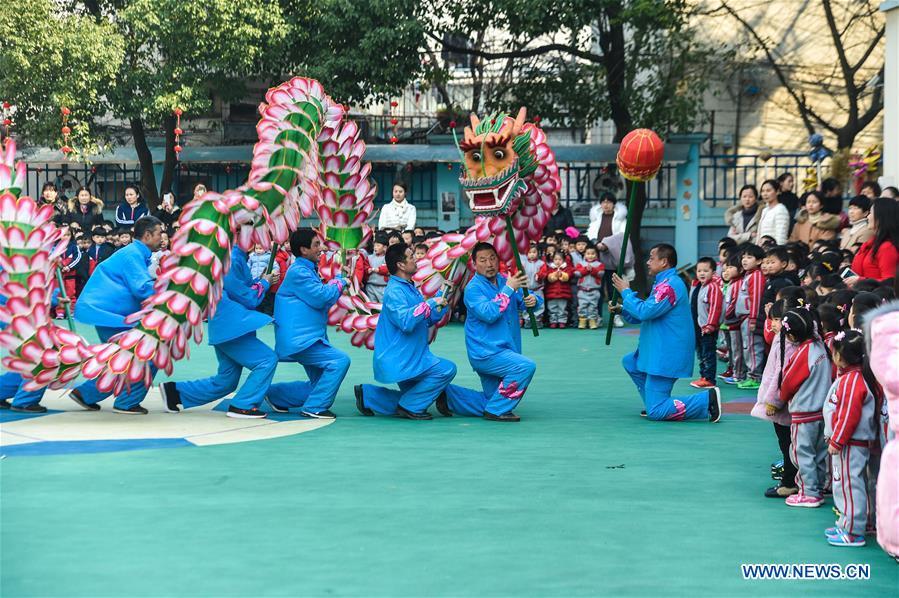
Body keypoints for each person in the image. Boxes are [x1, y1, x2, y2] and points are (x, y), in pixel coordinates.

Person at [159, 244, 280, 418]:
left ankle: (174, 392)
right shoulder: (231, 257)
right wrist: (264, 283)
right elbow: (247, 297)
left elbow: (240, 288)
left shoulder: (231, 254)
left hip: (227, 325)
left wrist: (261, 281)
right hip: (232, 325)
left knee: (226, 380)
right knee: (267, 360)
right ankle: (242, 405)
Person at [610, 243, 721, 423]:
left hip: (666, 353)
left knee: (656, 412)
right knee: (631, 362)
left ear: (664, 262)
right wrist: (623, 309)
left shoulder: (669, 286)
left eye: (651, 258)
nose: (647, 262)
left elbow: (645, 312)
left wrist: (626, 292)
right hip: (659, 350)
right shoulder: (664, 283)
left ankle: (705, 400)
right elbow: (647, 313)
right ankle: (656, 402)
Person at [355, 242, 466, 420]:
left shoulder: (407, 287)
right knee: (446, 370)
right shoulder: (395, 291)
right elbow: (406, 321)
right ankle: (409, 407)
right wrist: (431, 303)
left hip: (410, 355)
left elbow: (425, 319)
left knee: (417, 392)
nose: (416, 259)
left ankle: (369, 395)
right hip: (403, 358)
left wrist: (441, 298)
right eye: (411, 256)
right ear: (400, 265)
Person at [68, 216, 165, 414]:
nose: (162, 238)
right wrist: (173, 291)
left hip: (111, 314)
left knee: (125, 356)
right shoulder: (133, 255)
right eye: (158, 234)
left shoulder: (135, 253)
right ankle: (125, 402)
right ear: (147, 235)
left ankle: (87, 394)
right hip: (112, 315)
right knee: (146, 355)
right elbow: (142, 288)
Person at [436, 242, 541, 422]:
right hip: (486, 353)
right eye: (483, 260)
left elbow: (524, 299)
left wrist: (533, 300)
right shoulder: (473, 288)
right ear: (474, 265)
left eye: (492, 258)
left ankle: (448, 395)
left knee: (492, 398)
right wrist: (509, 288)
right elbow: (490, 313)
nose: (489, 263)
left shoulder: (503, 280)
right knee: (525, 367)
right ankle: (496, 411)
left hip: (505, 349)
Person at [265, 229, 351, 419]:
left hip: (307, 337)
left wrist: (337, 280)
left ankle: (275, 395)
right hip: (303, 340)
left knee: (320, 382)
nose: (321, 248)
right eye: (316, 245)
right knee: (340, 361)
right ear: (304, 250)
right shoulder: (299, 271)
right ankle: (315, 407)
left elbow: (318, 294)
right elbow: (321, 297)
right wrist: (340, 282)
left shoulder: (304, 269)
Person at [823, 330, 877, 546]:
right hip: (849, 442)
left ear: (841, 357)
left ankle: (854, 530)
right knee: (845, 483)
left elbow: (848, 415)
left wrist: (837, 440)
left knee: (849, 484)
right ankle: (847, 522)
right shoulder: (851, 378)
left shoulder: (853, 381)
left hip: (850, 443)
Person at [775, 308, 833, 508]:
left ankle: (809, 492)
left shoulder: (804, 351)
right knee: (819, 452)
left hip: (804, 411)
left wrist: (780, 399)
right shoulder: (821, 347)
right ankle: (819, 485)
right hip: (821, 411)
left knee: (801, 453)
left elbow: (789, 382)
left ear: (791, 334)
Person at [735, 245, 766, 389]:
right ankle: (751, 374)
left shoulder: (756, 276)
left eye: (749, 257)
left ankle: (755, 376)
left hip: (750, 318)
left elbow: (756, 299)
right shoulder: (748, 275)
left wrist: (754, 318)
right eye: (743, 257)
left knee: (753, 347)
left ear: (759, 261)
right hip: (744, 318)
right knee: (748, 347)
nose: (744, 260)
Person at [689, 257, 722, 388]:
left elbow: (716, 307)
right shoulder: (698, 286)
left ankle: (709, 378)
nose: (702, 273)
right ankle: (703, 375)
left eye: (706, 270)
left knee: (708, 352)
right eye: (699, 270)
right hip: (697, 326)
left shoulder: (713, 287)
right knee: (701, 352)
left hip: (707, 328)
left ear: (713, 273)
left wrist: (711, 325)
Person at [849, 198, 899, 282]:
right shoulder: (872, 243)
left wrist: (860, 280)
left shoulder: (887, 247)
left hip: (875, 293)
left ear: (881, 217)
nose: (867, 216)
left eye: (871, 213)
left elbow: (889, 282)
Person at [538, 251, 573, 328]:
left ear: (563, 260)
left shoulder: (567, 268)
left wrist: (562, 274)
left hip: (563, 293)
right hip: (551, 293)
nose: (558, 261)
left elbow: (568, 276)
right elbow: (548, 277)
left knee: (562, 308)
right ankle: (553, 321)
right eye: (556, 259)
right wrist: (554, 275)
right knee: (552, 308)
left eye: (560, 259)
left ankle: (562, 321)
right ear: (552, 260)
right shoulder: (550, 268)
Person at [574, 245, 604, 329]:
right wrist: (586, 270)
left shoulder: (599, 264)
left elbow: (601, 274)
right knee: (582, 306)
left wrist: (593, 270)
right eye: (588, 253)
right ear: (584, 254)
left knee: (593, 306)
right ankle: (582, 321)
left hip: (594, 290)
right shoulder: (580, 264)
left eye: (593, 254)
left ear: (596, 255)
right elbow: (577, 273)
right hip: (582, 290)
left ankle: (592, 321)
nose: (590, 255)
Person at [755, 179, 789, 245]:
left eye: (768, 191)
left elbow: (781, 236)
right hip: (762, 248)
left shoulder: (781, 210)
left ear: (777, 192)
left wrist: (777, 253)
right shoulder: (765, 210)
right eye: (763, 191)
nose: (765, 194)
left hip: (773, 249)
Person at [364, 232, 389, 302]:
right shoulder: (369, 257)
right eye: (374, 246)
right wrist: (367, 269)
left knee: (382, 304)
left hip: (383, 286)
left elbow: (388, 268)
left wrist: (379, 270)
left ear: (385, 247)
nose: (375, 247)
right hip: (370, 285)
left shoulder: (387, 258)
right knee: (371, 303)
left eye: (378, 246)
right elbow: (365, 266)